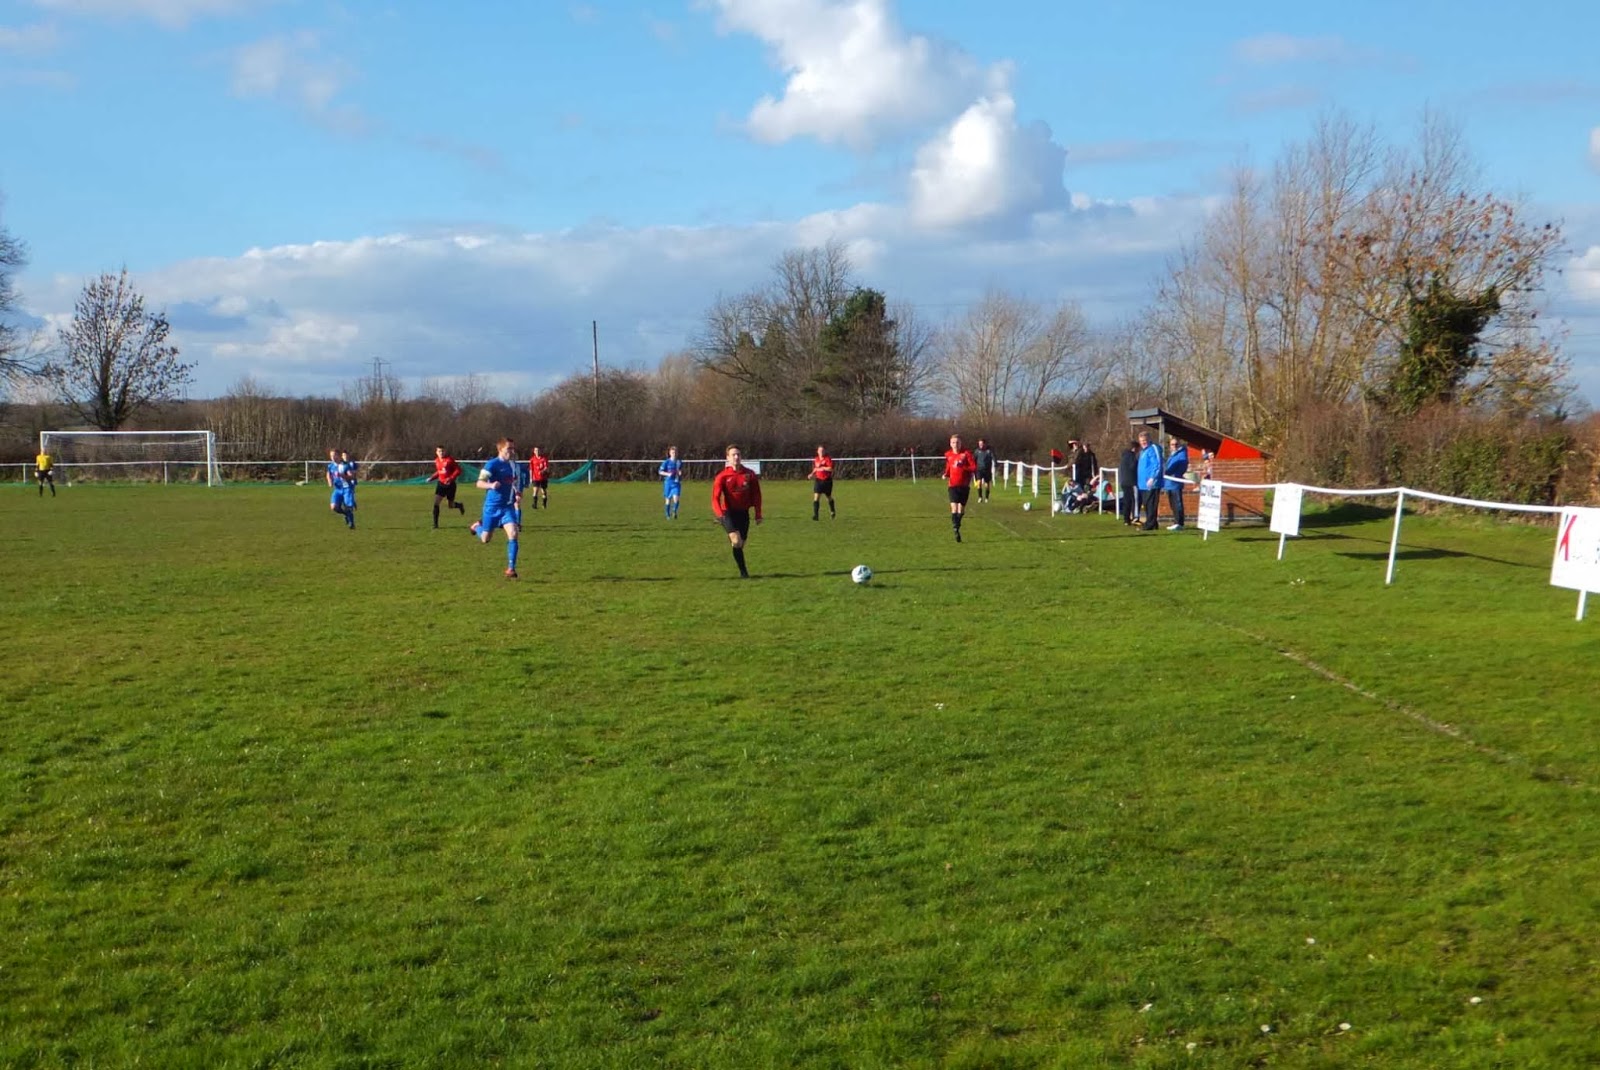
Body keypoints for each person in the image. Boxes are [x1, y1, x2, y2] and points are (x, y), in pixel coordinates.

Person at [471, 438, 522, 579]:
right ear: (500, 450)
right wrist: (491, 485)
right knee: (485, 539)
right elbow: (479, 483)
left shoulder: (513, 466)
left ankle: (511, 568)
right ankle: (476, 527)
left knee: (513, 533)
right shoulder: (492, 464)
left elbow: (515, 483)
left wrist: (517, 493)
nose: (511, 452)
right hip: (491, 508)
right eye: (508, 449)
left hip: (507, 507)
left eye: (513, 449)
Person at [711, 444, 762, 578]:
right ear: (727, 458)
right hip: (728, 513)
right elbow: (715, 498)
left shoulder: (749, 474)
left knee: (740, 544)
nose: (736, 457)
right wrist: (720, 515)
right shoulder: (722, 476)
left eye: (738, 454)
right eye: (733, 455)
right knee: (736, 540)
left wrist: (758, 513)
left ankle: (741, 565)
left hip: (743, 513)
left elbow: (757, 495)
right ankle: (744, 573)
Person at [943, 434, 978, 542]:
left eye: (957, 442)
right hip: (952, 485)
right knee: (954, 508)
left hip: (964, 486)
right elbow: (949, 466)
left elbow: (974, 467)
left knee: (961, 509)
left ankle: (957, 526)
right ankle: (955, 528)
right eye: (953, 442)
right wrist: (946, 474)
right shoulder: (948, 454)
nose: (955, 445)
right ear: (950, 443)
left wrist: (963, 466)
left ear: (961, 443)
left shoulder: (966, 454)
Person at [427, 446, 467, 528]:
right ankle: (435, 525)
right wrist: (431, 478)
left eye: (442, 451)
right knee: (436, 503)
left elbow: (458, 470)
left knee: (450, 505)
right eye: (439, 451)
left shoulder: (449, 460)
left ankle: (459, 505)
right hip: (441, 484)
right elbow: (439, 472)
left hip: (451, 485)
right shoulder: (437, 461)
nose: (441, 453)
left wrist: (451, 478)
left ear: (445, 452)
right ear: (436, 452)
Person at [1136, 430, 1164, 532]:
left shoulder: (1153, 449)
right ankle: (1153, 523)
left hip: (1152, 483)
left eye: (1144, 440)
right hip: (1143, 484)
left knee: (1151, 504)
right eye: (1141, 440)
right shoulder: (1143, 451)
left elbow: (1157, 464)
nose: (1143, 442)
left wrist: (1153, 477)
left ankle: (1149, 524)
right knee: (1147, 504)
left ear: (1149, 439)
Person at [1163, 436, 1190, 531]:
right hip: (1169, 483)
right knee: (1172, 504)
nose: (1174, 446)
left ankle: (1179, 522)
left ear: (1179, 445)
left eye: (1176, 444)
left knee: (1177, 503)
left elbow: (1183, 467)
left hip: (1175, 482)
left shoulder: (1182, 454)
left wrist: (1175, 475)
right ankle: (1176, 522)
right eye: (1172, 444)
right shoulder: (1172, 455)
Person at [326, 448, 355, 529]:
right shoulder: (330, 465)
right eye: (331, 456)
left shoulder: (345, 465)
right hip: (337, 489)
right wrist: (329, 481)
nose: (333, 457)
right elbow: (328, 474)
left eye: (334, 455)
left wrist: (343, 476)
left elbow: (351, 476)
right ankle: (345, 514)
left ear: (339, 456)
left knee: (348, 506)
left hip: (347, 489)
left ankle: (351, 523)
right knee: (333, 507)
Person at [810, 444, 835, 520]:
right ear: (817, 451)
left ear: (824, 451)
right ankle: (816, 515)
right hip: (818, 480)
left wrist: (823, 467)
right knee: (816, 497)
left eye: (822, 450)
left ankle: (832, 510)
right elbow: (816, 468)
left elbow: (831, 469)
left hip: (827, 480)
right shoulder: (816, 459)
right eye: (820, 450)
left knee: (828, 497)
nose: (821, 452)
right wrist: (811, 474)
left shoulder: (827, 459)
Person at [1117, 440, 1139, 526]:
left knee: (1126, 500)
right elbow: (1132, 467)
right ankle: (1134, 517)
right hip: (1131, 481)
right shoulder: (1131, 456)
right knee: (1133, 500)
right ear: (1134, 448)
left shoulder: (1124, 455)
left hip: (1123, 481)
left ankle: (1126, 519)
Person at [658, 446, 683, 519]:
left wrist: (680, 473)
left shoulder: (679, 462)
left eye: (675, 452)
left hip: (676, 482)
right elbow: (660, 472)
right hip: (668, 483)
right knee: (668, 500)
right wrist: (667, 474)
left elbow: (679, 470)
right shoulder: (666, 462)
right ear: (670, 453)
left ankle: (674, 511)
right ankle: (667, 515)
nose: (674, 454)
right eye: (672, 452)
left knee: (676, 498)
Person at [973, 438, 995, 503]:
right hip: (979, 470)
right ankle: (980, 497)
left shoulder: (989, 451)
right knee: (979, 483)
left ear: (985, 444)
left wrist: (995, 462)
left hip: (987, 470)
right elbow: (973, 459)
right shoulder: (977, 451)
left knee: (987, 484)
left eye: (982, 444)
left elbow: (993, 457)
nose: (981, 445)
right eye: (979, 444)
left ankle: (986, 498)